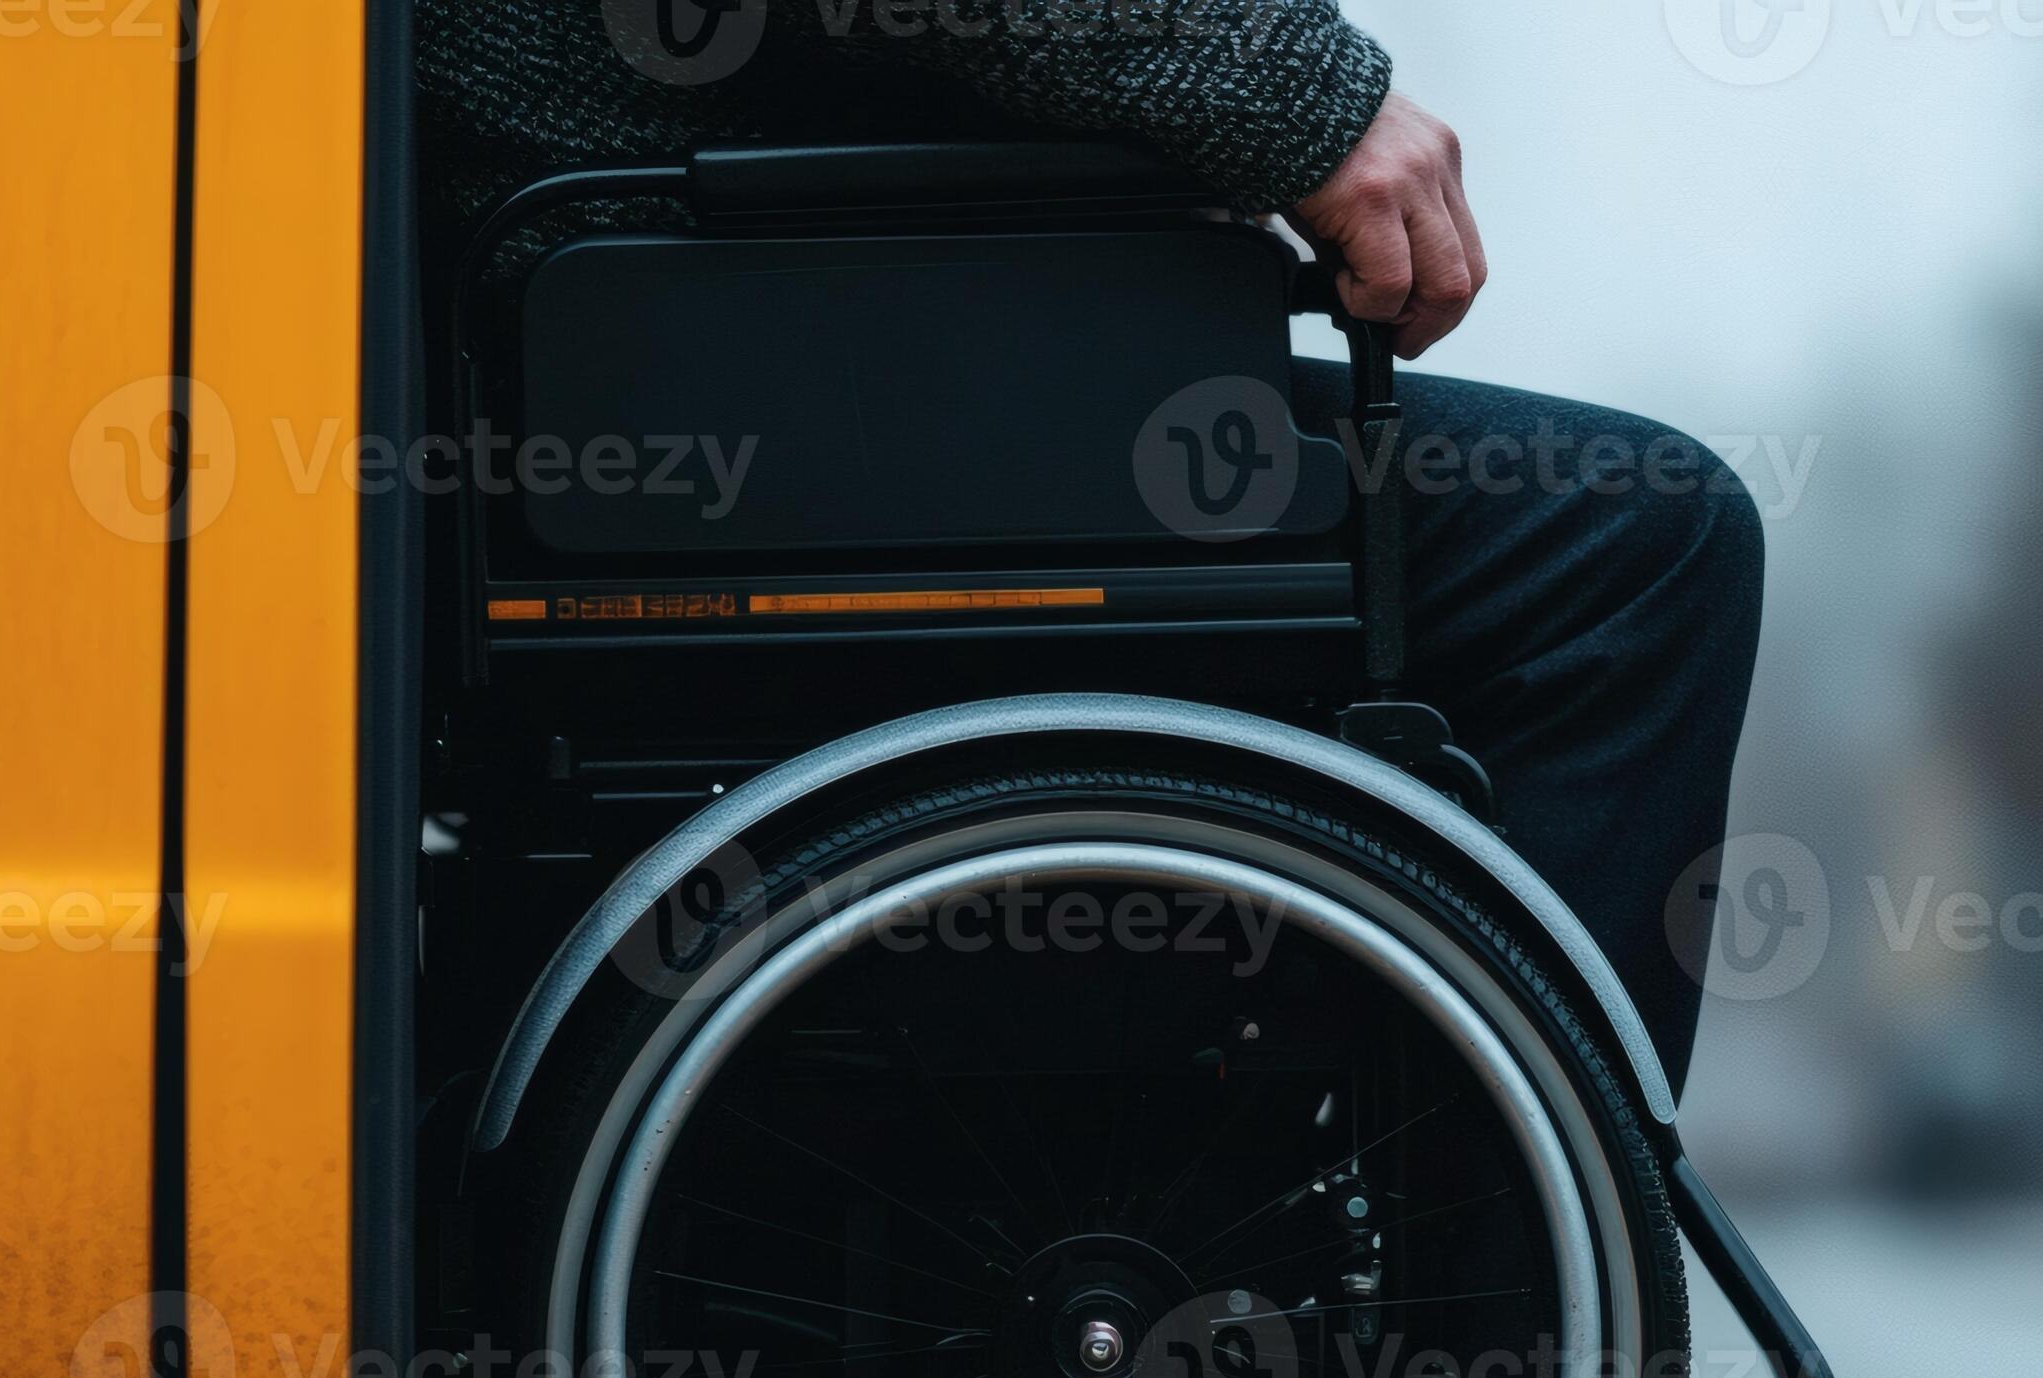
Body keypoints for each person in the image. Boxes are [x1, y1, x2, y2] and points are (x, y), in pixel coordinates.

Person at [421, 0, 1764, 1093]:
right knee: (1636, 546)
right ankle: (1503, 1365)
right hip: (729, 354)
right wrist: (1304, 96)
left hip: (686, 356)